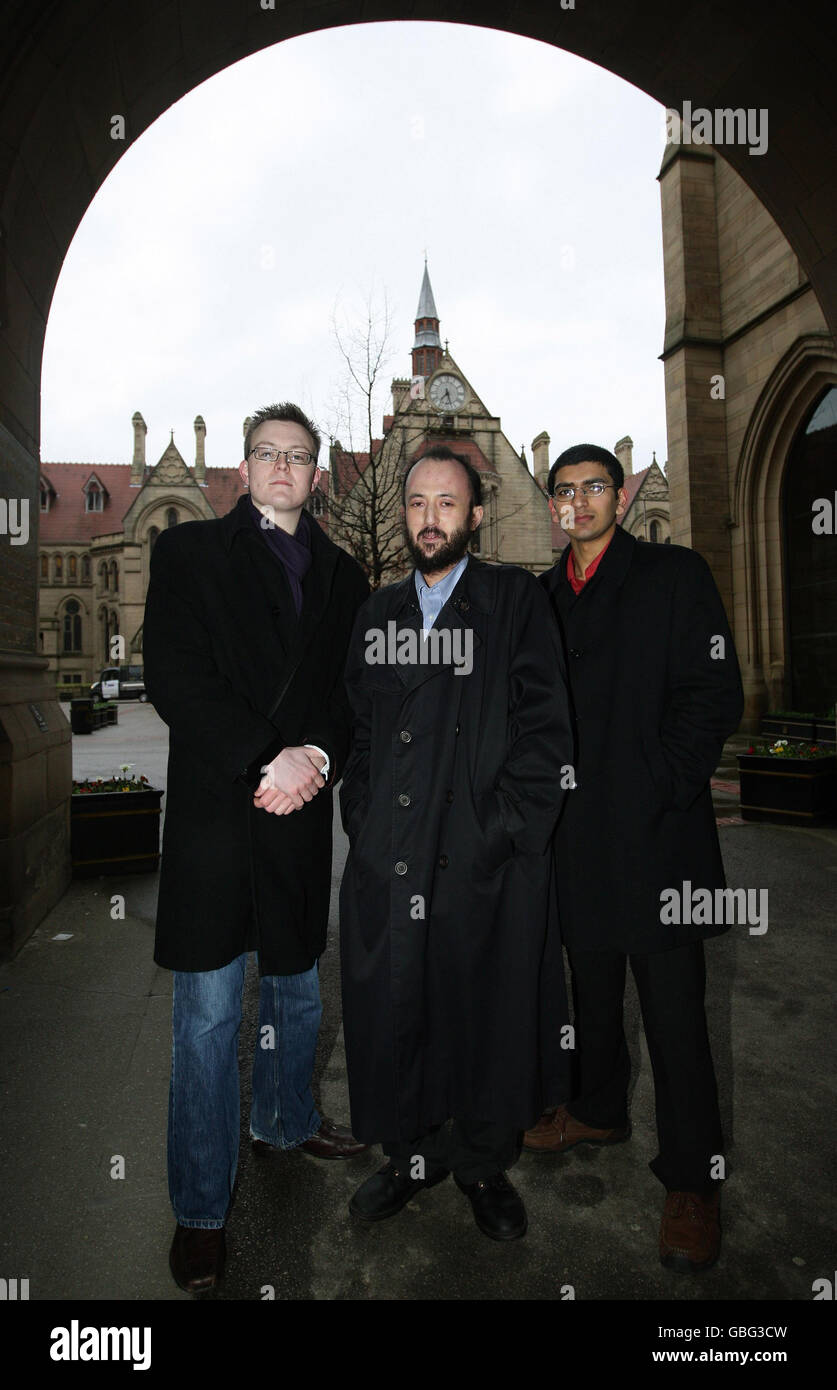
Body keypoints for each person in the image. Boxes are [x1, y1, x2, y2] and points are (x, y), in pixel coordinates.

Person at [143, 402, 370, 1292]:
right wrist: (261, 755)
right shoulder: (190, 553)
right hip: (216, 815)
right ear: (242, 469)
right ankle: (200, 1209)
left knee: (295, 991)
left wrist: (314, 755)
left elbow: (348, 694)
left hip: (298, 809)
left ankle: (285, 1119)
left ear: (317, 475)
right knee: (205, 1022)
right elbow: (175, 675)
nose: (282, 468)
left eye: (299, 456)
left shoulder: (344, 576)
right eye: (267, 454)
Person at [339, 445, 574, 1241]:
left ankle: (478, 1164)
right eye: (416, 503)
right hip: (394, 852)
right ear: (401, 514)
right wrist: (364, 819)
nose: (429, 518)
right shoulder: (377, 614)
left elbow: (546, 734)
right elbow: (362, 735)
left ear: (474, 515)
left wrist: (500, 829)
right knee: (401, 1008)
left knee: (483, 1013)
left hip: (484, 859)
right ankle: (410, 1159)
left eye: (447, 504)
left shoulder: (513, 601)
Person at [525, 442, 744, 1272]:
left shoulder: (673, 576)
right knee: (588, 992)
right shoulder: (541, 597)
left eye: (590, 488)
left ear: (616, 496)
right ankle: (596, 1108)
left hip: (658, 839)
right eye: (562, 491)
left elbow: (710, 692)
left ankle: (691, 1180)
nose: (575, 501)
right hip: (575, 841)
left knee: (676, 1015)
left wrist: (661, 782)